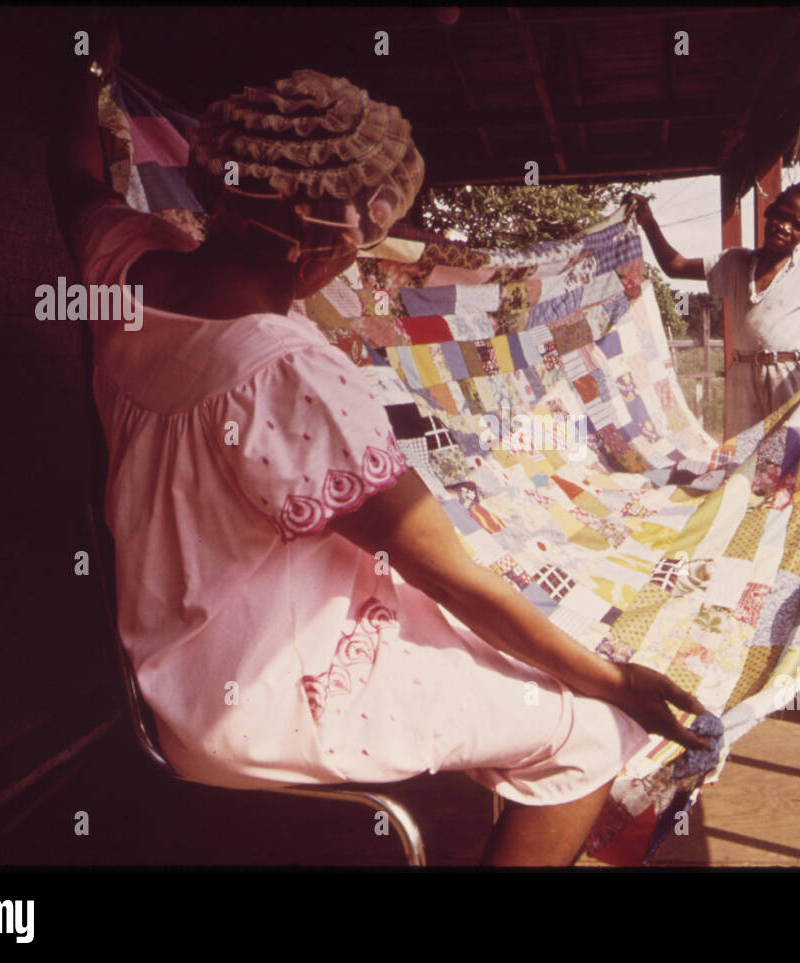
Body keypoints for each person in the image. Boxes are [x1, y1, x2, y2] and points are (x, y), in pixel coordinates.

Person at [47, 28, 709, 867]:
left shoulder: (126, 272)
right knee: (588, 736)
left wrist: (88, 65)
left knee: (480, 657)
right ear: (319, 243)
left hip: (163, 680)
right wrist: (618, 684)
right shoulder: (288, 374)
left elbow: (69, 177)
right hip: (260, 704)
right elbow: (453, 577)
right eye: (361, 233)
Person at [626, 187, 800, 438]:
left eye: (797, 225)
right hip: (741, 374)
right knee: (740, 460)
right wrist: (649, 223)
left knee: (787, 456)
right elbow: (674, 266)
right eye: (781, 216)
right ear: (769, 213)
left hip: (787, 376)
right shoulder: (733, 261)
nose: (784, 227)